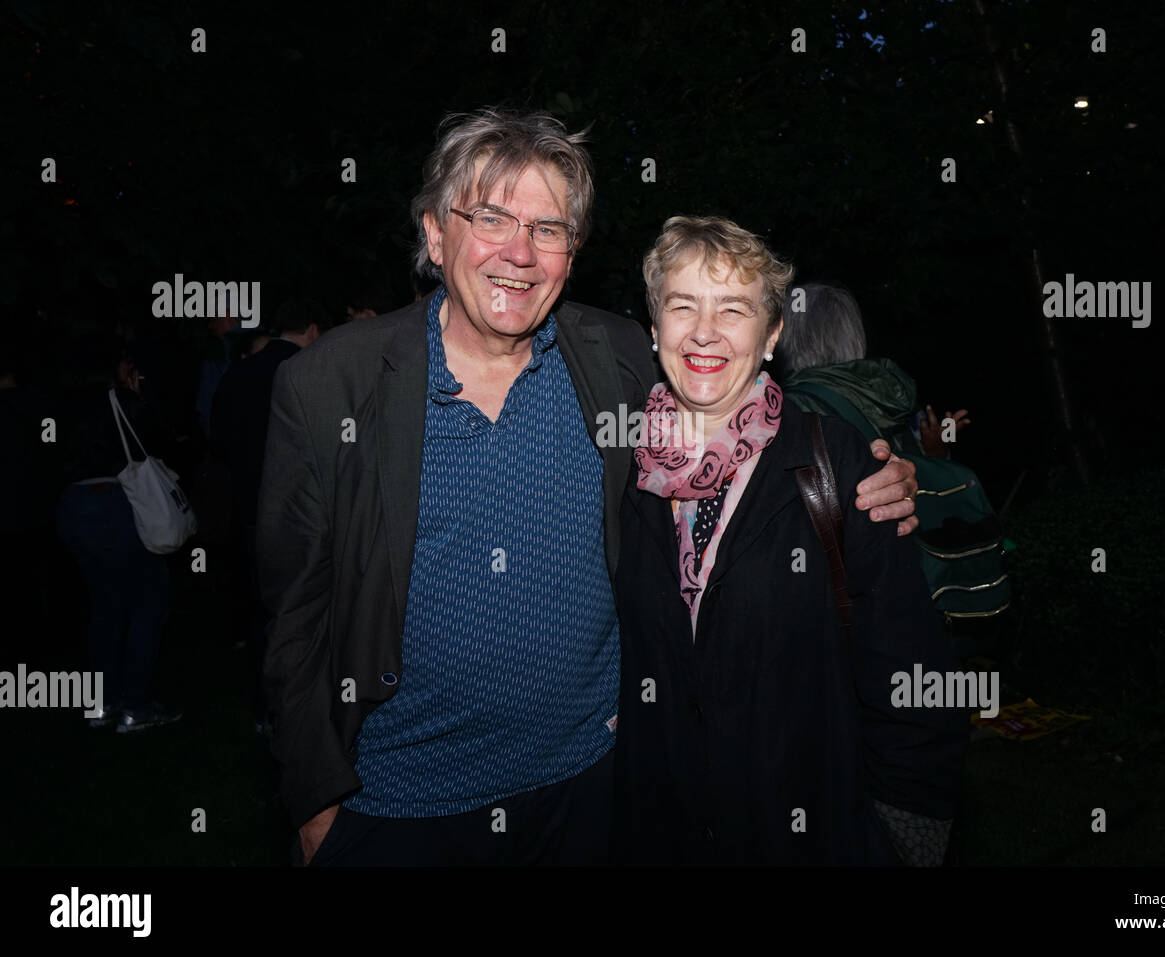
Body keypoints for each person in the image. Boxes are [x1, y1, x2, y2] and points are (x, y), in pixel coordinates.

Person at [257, 109, 920, 867]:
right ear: (435, 234)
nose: (519, 252)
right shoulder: (328, 387)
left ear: (572, 251)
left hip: (593, 796)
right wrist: (315, 801)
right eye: (492, 217)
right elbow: (294, 616)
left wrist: (871, 467)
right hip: (397, 806)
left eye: (548, 229)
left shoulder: (617, 360)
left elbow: (732, 412)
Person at [612, 217, 967, 865]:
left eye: (735, 309)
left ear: (773, 333)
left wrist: (902, 841)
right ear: (654, 323)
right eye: (682, 304)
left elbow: (912, 679)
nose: (704, 332)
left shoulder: (838, 464)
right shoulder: (617, 467)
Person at [54, 336, 181, 732]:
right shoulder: (121, 403)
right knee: (147, 601)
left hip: (74, 507)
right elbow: (162, 442)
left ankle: (102, 702)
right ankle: (134, 703)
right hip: (117, 503)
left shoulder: (59, 406)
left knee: (104, 605)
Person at [210, 299, 324, 728]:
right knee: (301, 611)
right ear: (313, 329)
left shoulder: (239, 375)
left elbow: (217, 436)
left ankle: (268, 709)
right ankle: (299, 710)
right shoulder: (310, 372)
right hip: (301, 514)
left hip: (248, 508)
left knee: (266, 608)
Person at [777, 281, 970, 458]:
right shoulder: (889, 390)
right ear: (855, 333)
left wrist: (936, 450)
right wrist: (937, 450)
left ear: (788, 336)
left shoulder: (781, 406)